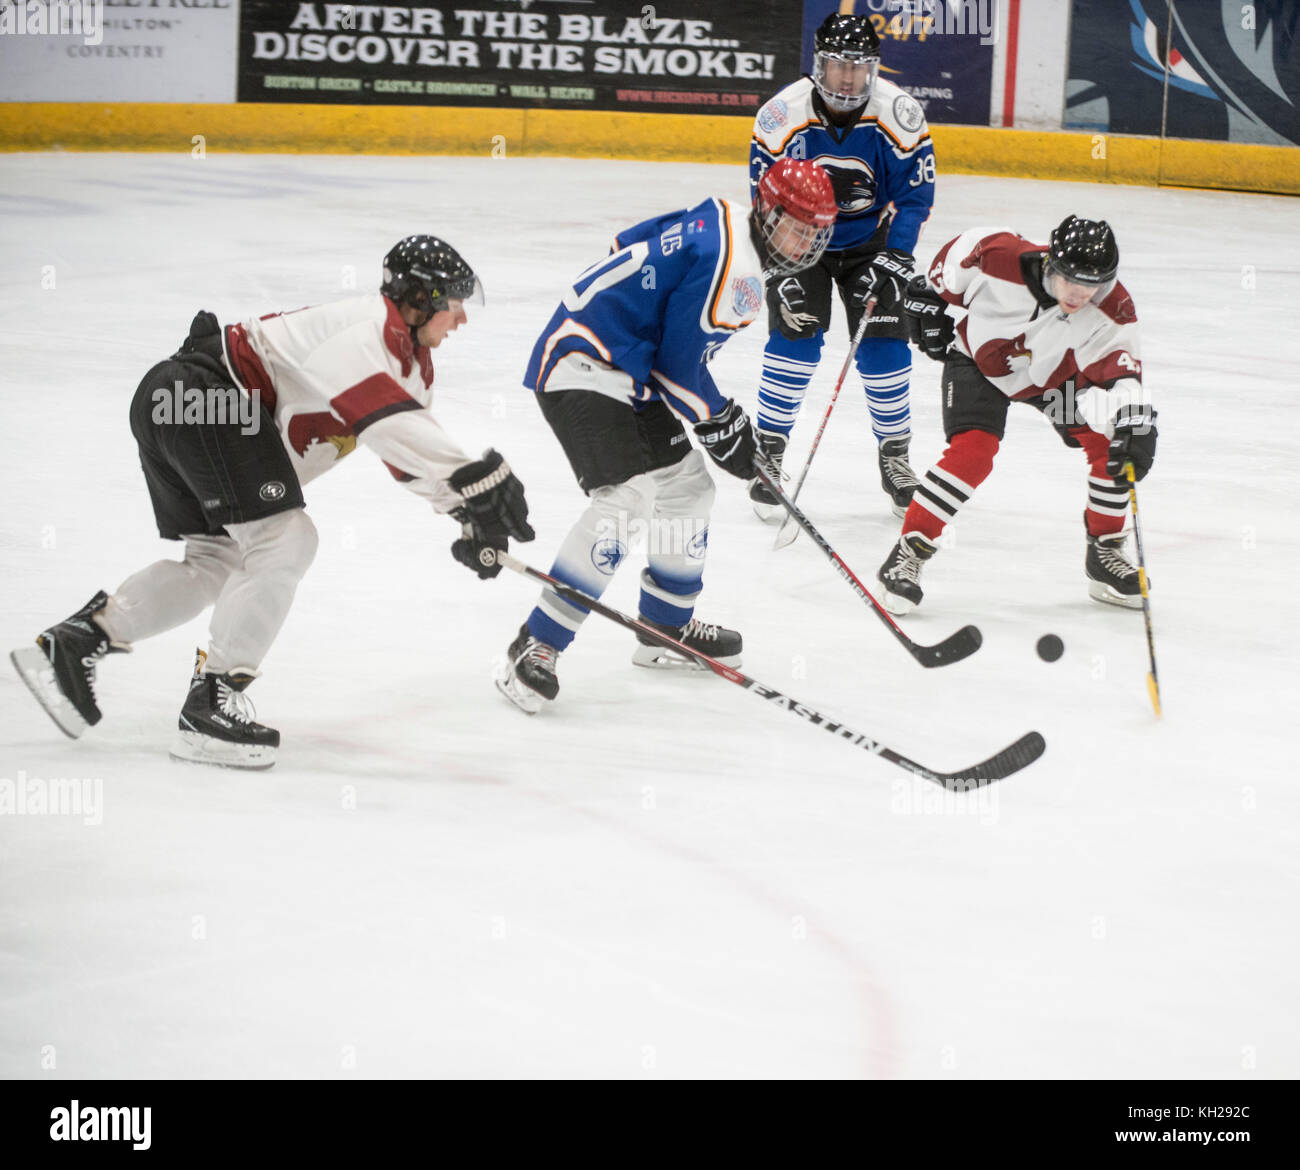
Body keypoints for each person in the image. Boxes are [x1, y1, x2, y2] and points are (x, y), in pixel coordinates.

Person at [10, 236, 534, 768]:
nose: (462, 318)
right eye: (454, 301)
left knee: (216, 562)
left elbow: (404, 453)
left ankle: (75, 644)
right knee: (286, 539)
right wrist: (474, 481)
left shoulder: (411, 370)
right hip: (203, 398)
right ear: (420, 299)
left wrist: (468, 517)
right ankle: (211, 705)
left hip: (179, 405)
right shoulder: (362, 328)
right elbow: (385, 418)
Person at [496, 158, 837, 714]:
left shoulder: (723, 216)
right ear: (769, 212)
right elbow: (680, 371)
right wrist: (721, 421)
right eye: (798, 227)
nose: (805, 245)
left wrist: (718, 421)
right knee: (626, 501)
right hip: (582, 361)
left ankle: (665, 627)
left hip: (628, 367)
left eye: (816, 234)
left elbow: (628, 242)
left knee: (687, 489)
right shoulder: (740, 271)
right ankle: (536, 644)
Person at [876, 215, 1157, 613]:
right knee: (973, 453)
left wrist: (1134, 419)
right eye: (1071, 280)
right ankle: (908, 554)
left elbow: (1122, 374)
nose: (1081, 294)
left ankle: (1104, 553)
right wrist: (929, 295)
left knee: (1111, 445)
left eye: (1093, 284)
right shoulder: (997, 256)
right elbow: (946, 268)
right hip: (979, 366)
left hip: (1053, 385)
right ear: (1051, 265)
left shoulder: (1112, 308)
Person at [747, 11, 936, 521]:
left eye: (858, 67)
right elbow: (765, 205)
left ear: (872, 69)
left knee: (883, 344)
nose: (848, 77)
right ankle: (770, 449)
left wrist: (895, 258)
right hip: (797, 243)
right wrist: (775, 273)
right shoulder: (779, 117)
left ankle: (895, 457)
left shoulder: (898, 114)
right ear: (819, 65)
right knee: (795, 336)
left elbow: (915, 198)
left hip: (870, 244)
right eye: (837, 66)